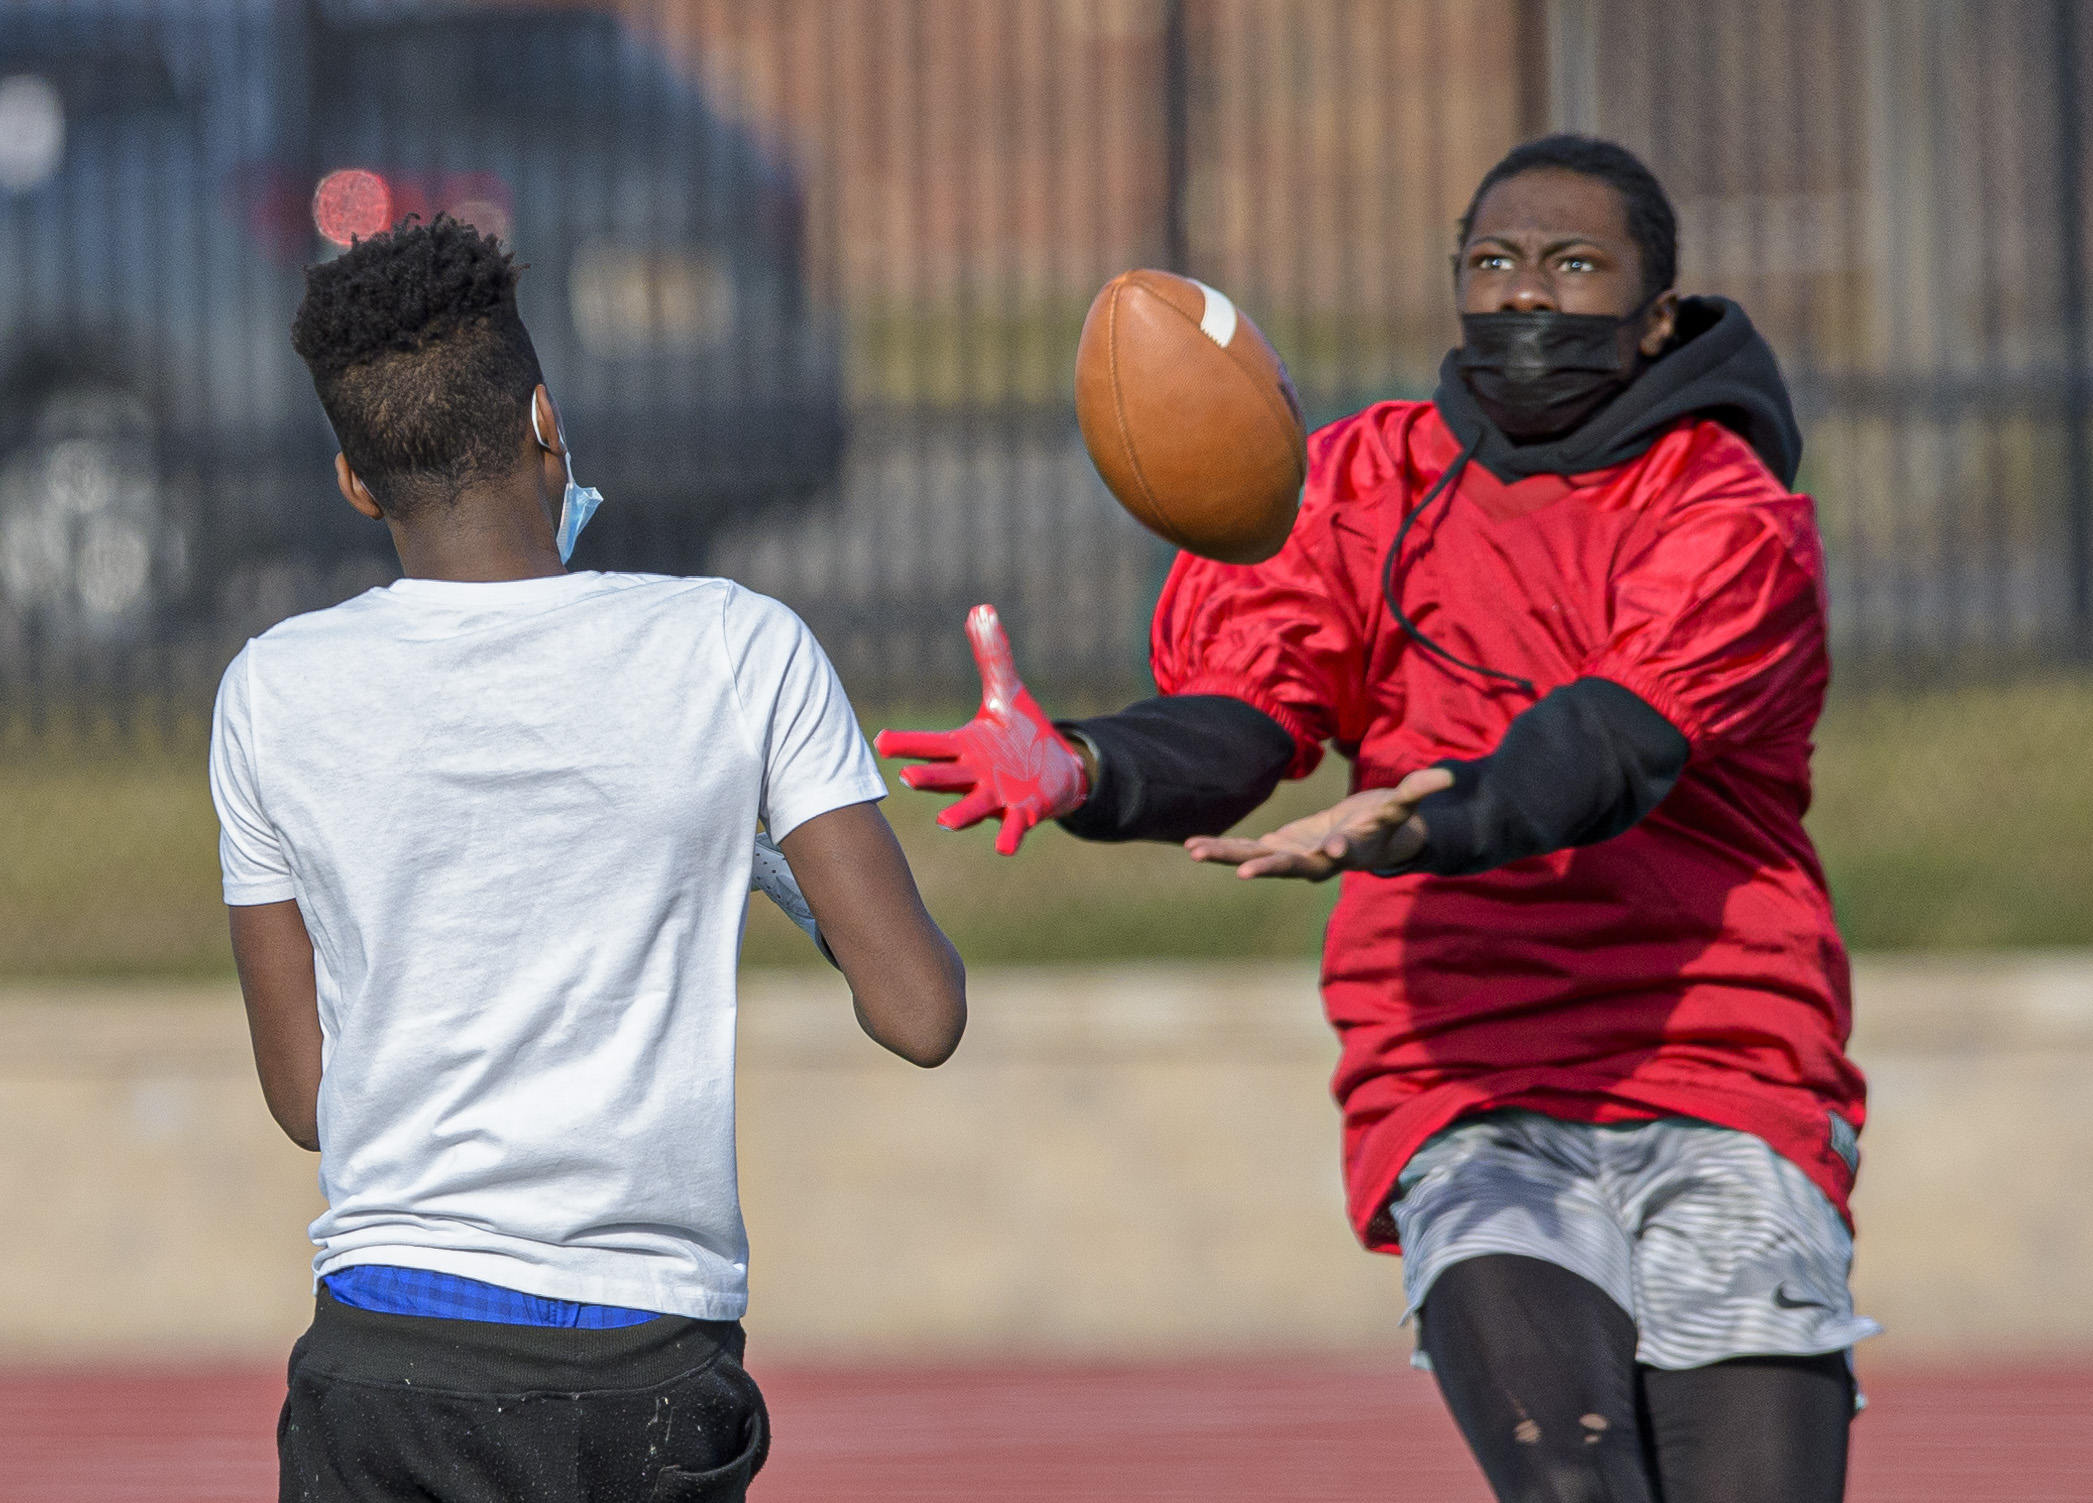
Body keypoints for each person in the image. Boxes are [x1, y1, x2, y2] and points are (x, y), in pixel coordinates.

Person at [876, 135, 1872, 1503]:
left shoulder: (1729, 514)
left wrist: (1424, 822)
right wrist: (1089, 771)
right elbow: (1241, 720)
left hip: (1719, 1066)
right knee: (1566, 1481)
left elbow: (1600, 749)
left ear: (1655, 317)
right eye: (1492, 263)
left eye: (1574, 266)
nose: (1526, 296)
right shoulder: (1361, 486)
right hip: (1463, 1071)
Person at [211, 215, 966, 1503]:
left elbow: (307, 1102)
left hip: (382, 1361)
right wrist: (776, 867)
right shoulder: (737, 648)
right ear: (545, 420)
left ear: (354, 479)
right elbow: (921, 1013)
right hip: (640, 1363)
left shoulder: (269, 690)